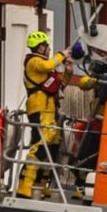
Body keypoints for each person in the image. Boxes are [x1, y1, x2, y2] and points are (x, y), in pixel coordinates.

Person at [15, 32, 94, 198]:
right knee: (40, 146)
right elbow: (48, 65)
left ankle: (40, 184)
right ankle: (25, 185)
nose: (48, 49)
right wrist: (62, 54)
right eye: (46, 46)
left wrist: (68, 72)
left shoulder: (45, 69)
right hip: (39, 110)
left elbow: (59, 86)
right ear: (39, 46)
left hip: (51, 111)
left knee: (52, 147)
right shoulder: (34, 62)